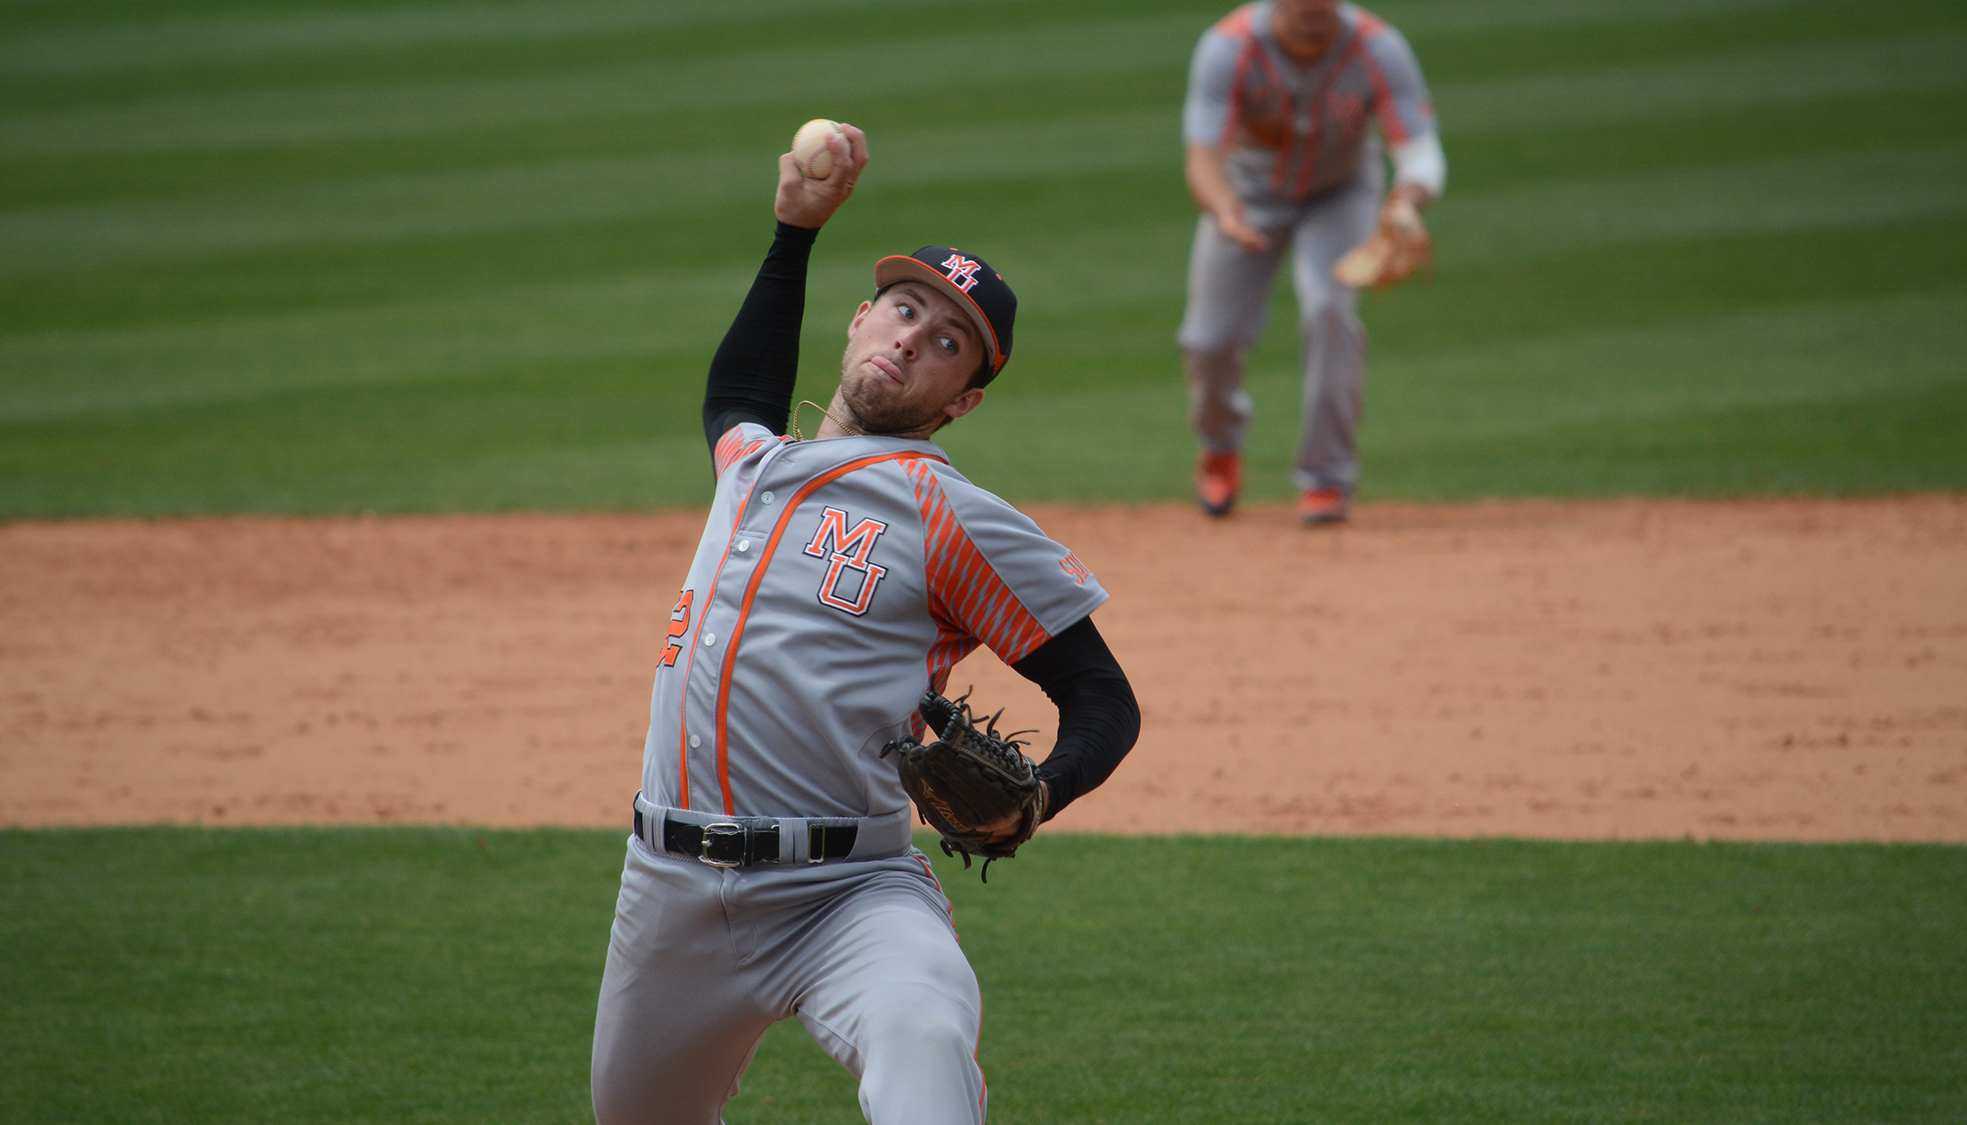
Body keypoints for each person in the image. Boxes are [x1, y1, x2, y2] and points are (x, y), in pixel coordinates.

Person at [590, 123, 1142, 1125]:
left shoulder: (952, 515)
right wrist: (792, 231)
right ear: (855, 322)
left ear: (962, 399)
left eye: (944, 343)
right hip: (665, 891)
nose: (907, 340)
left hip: (844, 893)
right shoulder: (751, 462)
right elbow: (736, 393)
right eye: (901, 310)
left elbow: (1101, 698)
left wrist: (1039, 798)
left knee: (922, 1037)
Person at [1179, 0, 1446, 523]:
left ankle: (1327, 477)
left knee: (1329, 313)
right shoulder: (1228, 47)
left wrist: (1406, 203)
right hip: (1247, 191)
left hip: (1340, 193)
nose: (1314, 6)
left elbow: (1419, 149)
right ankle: (1220, 447)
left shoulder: (1377, 47)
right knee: (1208, 340)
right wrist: (1224, 210)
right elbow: (1202, 156)